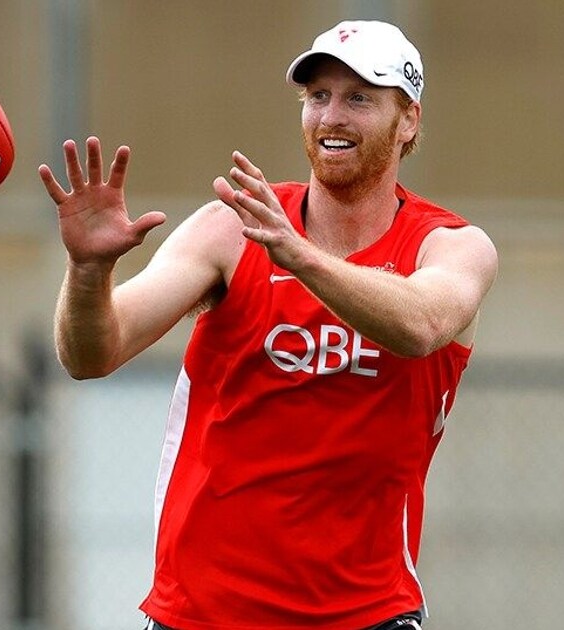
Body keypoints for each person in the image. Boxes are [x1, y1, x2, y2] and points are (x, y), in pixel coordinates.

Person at [40, 19, 498, 630]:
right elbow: (89, 355)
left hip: (366, 615)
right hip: (202, 614)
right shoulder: (231, 227)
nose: (332, 115)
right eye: (318, 96)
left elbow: (421, 324)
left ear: (408, 120)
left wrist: (301, 256)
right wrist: (88, 271)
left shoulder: (450, 246)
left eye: (360, 97)